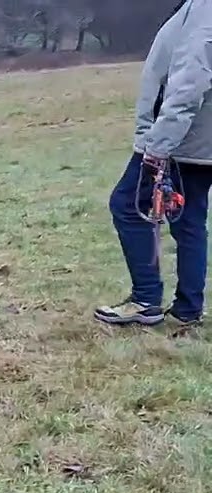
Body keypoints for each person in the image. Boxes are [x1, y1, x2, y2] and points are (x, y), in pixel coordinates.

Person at [95, 0, 212, 329]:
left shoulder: (205, 9)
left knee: (127, 205)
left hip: (183, 139)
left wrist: (159, 144)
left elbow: (191, 80)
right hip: (198, 140)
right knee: (189, 219)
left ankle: (145, 299)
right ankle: (188, 309)